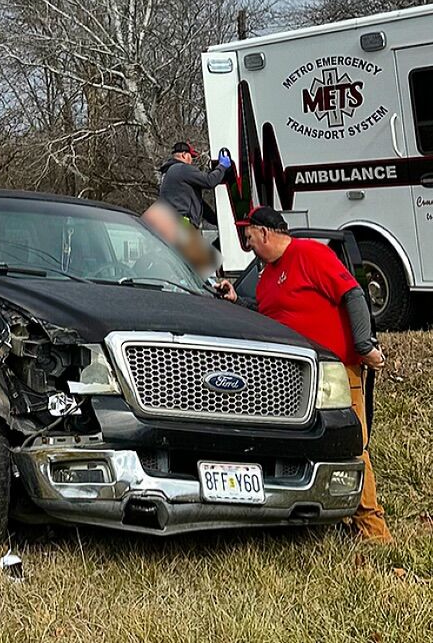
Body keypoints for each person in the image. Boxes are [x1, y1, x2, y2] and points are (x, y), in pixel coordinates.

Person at [215, 206, 392, 542]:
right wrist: (237, 300)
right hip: (295, 378)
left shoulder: (310, 253)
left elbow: (352, 293)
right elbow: (268, 313)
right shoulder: (267, 275)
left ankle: (373, 530)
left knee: (352, 445)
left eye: (248, 236)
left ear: (264, 232)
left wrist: (364, 344)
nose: (247, 243)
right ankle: (328, 513)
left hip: (338, 369)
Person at [157, 141, 230, 229]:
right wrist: (222, 166)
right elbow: (209, 181)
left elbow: (199, 203)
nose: (191, 161)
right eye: (191, 156)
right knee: (192, 243)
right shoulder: (181, 169)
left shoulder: (169, 173)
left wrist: (215, 220)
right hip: (182, 224)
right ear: (184, 155)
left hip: (171, 223)